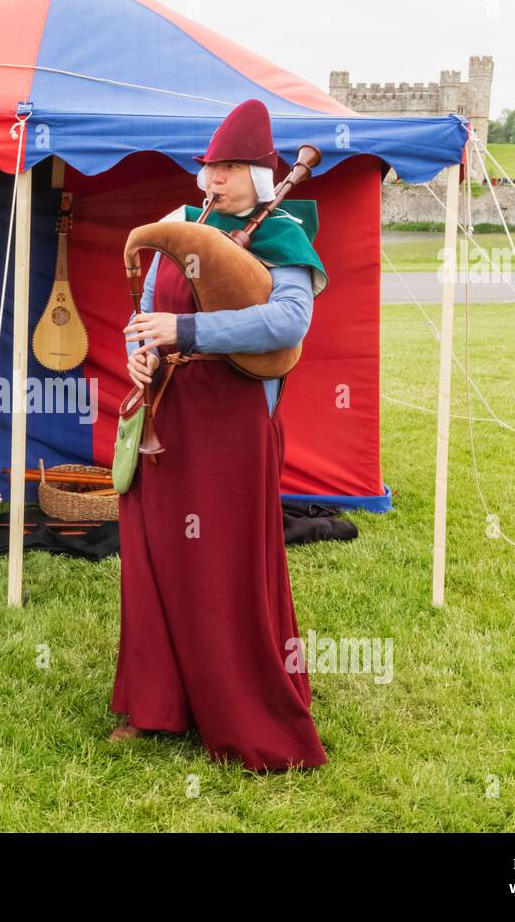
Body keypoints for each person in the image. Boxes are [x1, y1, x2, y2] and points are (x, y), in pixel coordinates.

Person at [111, 98, 330, 771]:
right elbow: (148, 310)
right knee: (156, 557)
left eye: (231, 167)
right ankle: (155, 704)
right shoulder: (180, 224)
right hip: (167, 413)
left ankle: (235, 704)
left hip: (232, 425)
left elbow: (290, 323)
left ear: (262, 173)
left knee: (219, 566)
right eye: (210, 165)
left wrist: (190, 332)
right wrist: (140, 350)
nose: (216, 177)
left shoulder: (283, 232)